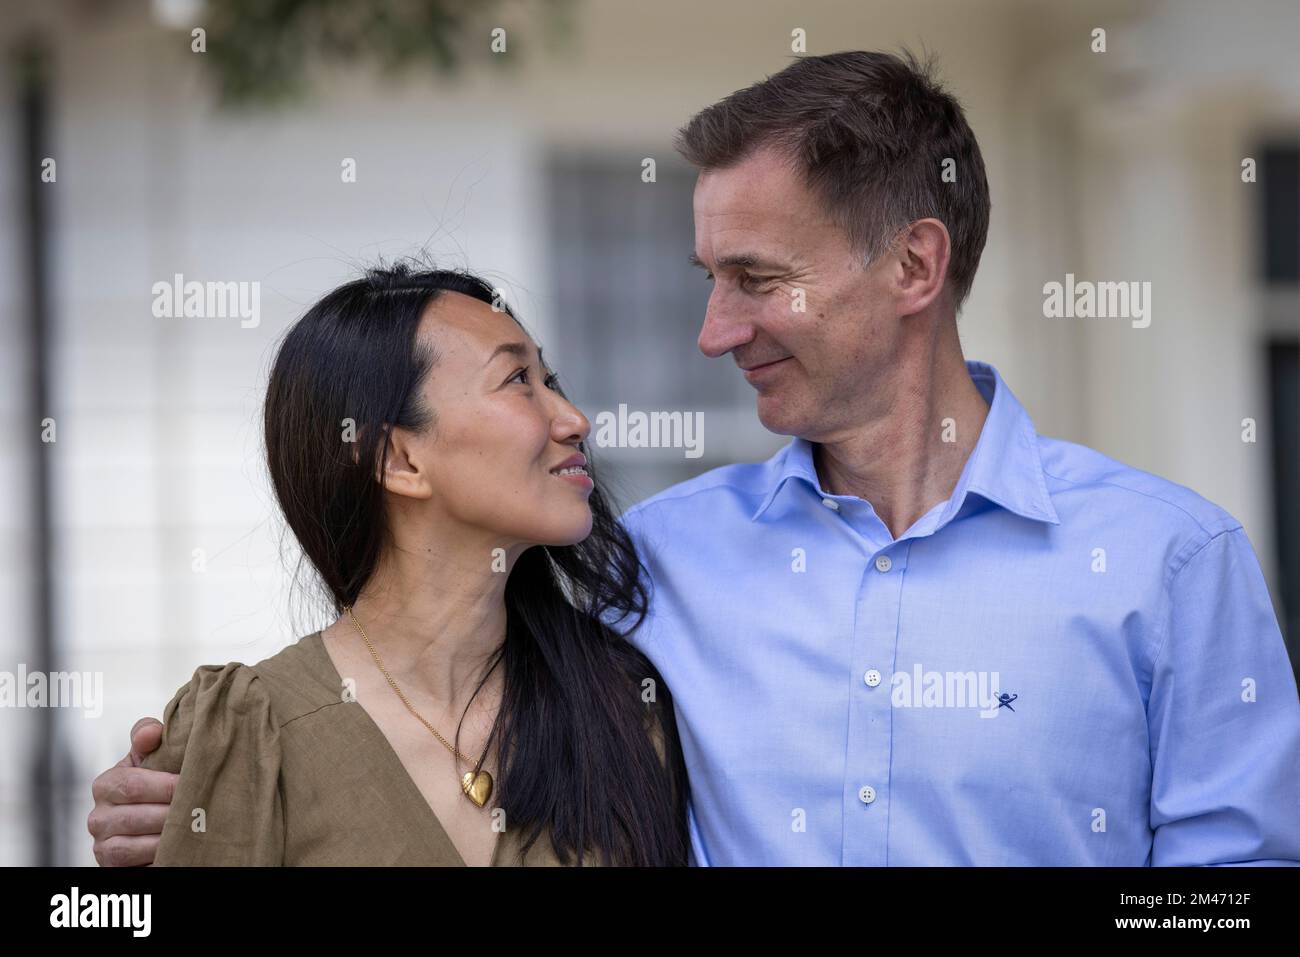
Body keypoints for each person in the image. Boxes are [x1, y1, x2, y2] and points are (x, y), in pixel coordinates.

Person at [92, 49, 1300, 867]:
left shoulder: (1168, 563)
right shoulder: (646, 572)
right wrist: (182, 804)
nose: (714, 332)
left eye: (757, 281)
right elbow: (411, 677)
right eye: (707, 281)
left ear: (914, 270)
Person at [89, 263, 689, 866]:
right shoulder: (247, 735)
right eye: (518, 380)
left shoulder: (621, 704)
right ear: (398, 459)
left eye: (550, 377)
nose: (573, 419)